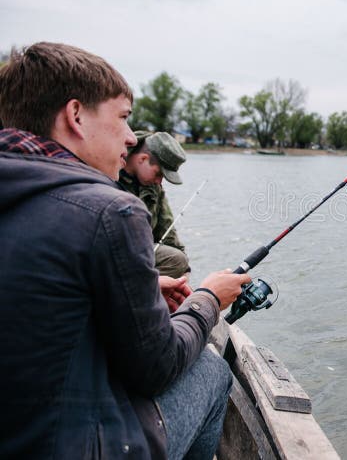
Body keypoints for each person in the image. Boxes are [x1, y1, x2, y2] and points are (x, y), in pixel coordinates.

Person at [0, 42, 250, 459]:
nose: (132, 137)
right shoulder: (110, 211)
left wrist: (146, 282)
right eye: (122, 117)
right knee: (210, 370)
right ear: (76, 115)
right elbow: (157, 369)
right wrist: (207, 300)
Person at [120, 131, 191, 279]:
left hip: (141, 252)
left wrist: (185, 270)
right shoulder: (106, 171)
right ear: (143, 159)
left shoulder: (153, 186)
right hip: (109, 250)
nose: (159, 182)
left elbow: (167, 228)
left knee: (178, 260)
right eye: (158, 174)